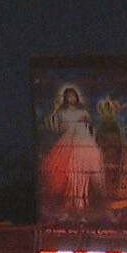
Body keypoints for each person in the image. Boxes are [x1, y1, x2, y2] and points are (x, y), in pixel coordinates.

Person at [40, 85, 103, 220]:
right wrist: (54, 116)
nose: (71, 98)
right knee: (70, 176)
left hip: (83, 147)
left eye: (73, 95)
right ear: (65, 98)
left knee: (82, 176)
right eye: (68, 96)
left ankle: (81, 207)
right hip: (68, 145)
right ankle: (68, 207)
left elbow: (92, 128)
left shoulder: (84, 113)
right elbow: (57, 128)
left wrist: (85, 129)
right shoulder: (60, 113)